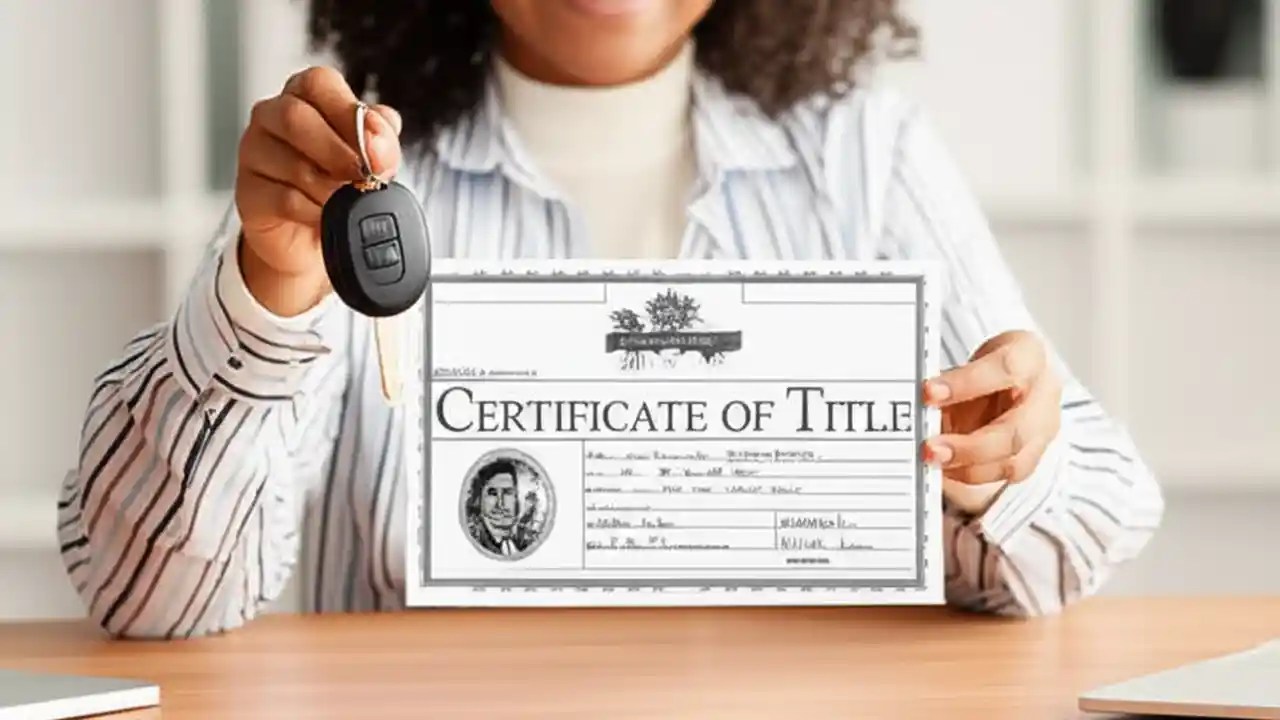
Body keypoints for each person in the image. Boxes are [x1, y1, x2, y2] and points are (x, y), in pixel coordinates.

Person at [58, 0, 1164, 639]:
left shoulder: (865, 159)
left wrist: (997, 463)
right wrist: (269, 292)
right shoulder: (345, 174)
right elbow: (146, 596)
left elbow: (1072, 544)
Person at [464, 459, 538, 558]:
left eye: (507, 493)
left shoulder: (522, 542)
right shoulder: (474, 542)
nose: (500, 504)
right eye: (492, 493)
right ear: (479, 500)